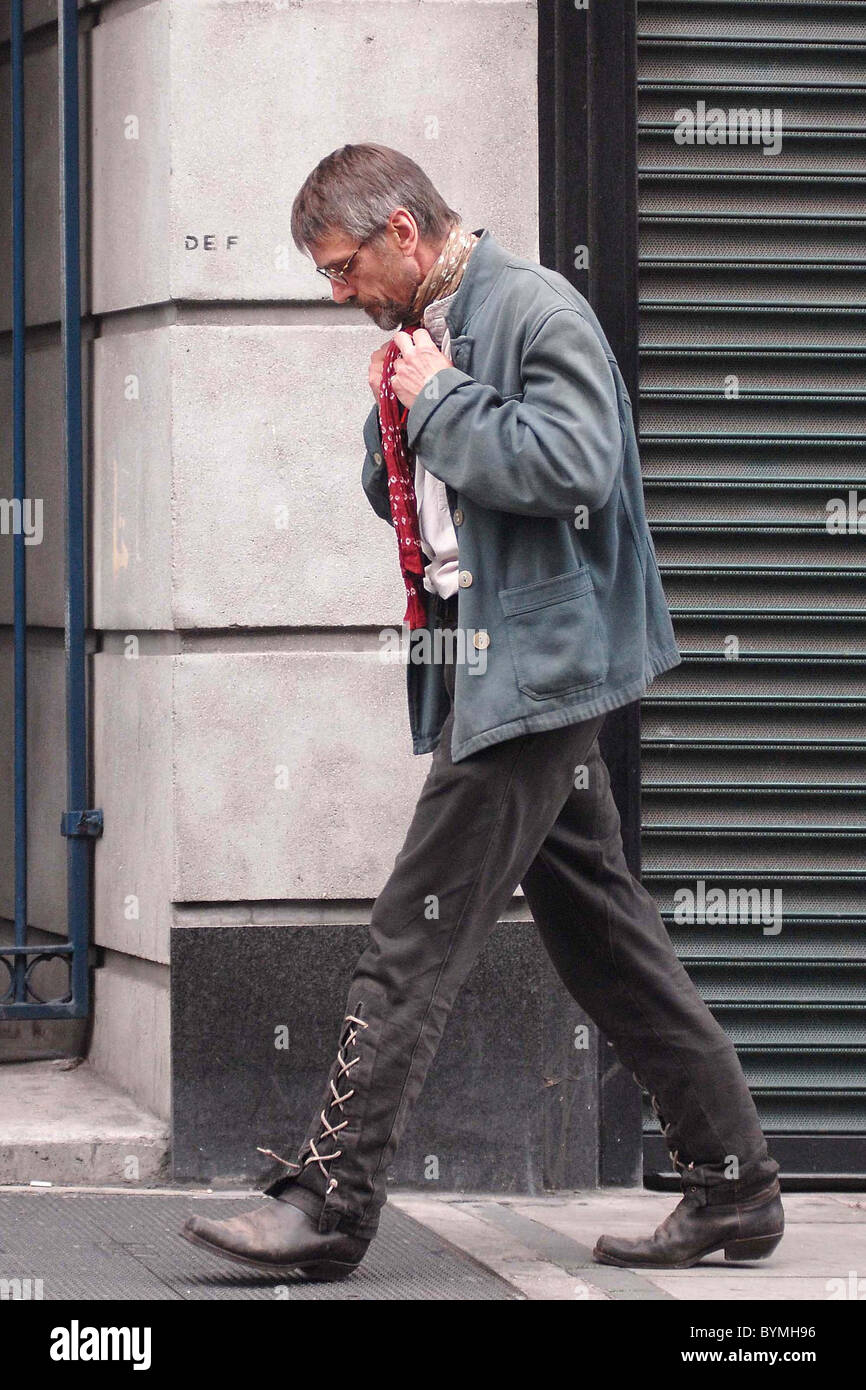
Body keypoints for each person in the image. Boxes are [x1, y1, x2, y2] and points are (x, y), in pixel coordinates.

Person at [180, 144, 783, 1280]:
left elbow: (573, 464)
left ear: (404, 231)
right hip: (483, 660)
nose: (337, 291)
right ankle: (734, 1185)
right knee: (604, 940)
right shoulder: (421, 331)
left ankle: (331, 1202)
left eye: (345, 266)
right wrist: (394, 411)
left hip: (539, 668)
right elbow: (414, 491)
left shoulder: (535, 306)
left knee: (410, 932)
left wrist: (437, 397)